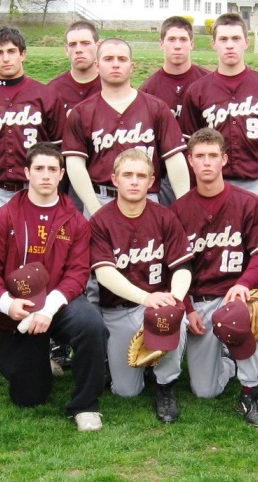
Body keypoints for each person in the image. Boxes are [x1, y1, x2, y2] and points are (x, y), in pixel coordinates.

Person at [0, 142, 109, 432]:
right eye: (39, 169)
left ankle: (85, 405)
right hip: (17, 311)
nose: (46, 175)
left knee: (92, 325)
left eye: (52, 169)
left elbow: (77, 273)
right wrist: (9, 304)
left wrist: (48, 309)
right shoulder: (3, 217)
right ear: (27, 173)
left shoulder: (75, 221)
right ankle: (38, 362)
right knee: (29, 396)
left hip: (60, 304)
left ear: (62, 174)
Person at [170, 128, 258, 428]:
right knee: (205, 391)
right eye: (200, 156)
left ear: (224, 160)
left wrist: (244, 285)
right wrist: (188, 310)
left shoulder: (247, 202)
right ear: (190, 161)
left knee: (242, 316)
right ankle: (228, 361)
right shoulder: (178, 210)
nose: (206, 163)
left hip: (233, 296)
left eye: (213, 156)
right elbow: (175, 269)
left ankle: (250, 392)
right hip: (200, 299)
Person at [90, 149, 193, 423]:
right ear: (114, 179)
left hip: (157, 306)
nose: (134, 181)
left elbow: (182, 267)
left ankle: (165, 385)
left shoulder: (165, 216)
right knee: (126, 392)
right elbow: (104, 274)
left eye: (141, 176)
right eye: (127, 175)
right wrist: (146, 298)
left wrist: (175, 298)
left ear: (151, 181)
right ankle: (134, 368)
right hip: (118, 310)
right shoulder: (100, 221)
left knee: (174, 317)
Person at [63, 38, 189, 217]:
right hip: (100, 199)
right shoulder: (82, 112)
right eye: (108, 59)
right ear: (97, 66)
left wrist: (184, 204)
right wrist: (94, 208)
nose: (115, 64)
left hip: (147, 199)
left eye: (122, 59)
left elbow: (175, 159)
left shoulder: (156, 108)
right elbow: (75, 164)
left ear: (131, 66)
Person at [0, 26, 66, 237]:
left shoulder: (46, 96)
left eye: (11, 51)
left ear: (23, 54)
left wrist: (60, 198)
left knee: (37, 256)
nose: (6, 58)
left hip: (36, 188)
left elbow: (61, 154)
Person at [179, 13, 258, 208]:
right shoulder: (197, 91)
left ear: (246, 42)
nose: (230, 45)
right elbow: (189, 147)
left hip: (255, 183)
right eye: (223, 39)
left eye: (236, 39)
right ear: (213, 43)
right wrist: (193, 189)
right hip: (211, 185)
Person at [139, 15, 211, 205]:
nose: (177, 46)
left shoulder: (209, 82)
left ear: (192, 44)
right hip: (164, 178)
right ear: (161, 43)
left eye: (183, 40)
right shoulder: (147, 90)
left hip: (204, 171)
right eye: (171, 40)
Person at [48, 20, 102, 114]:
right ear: (66, 50)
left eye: (85, 43)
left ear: (98, 46)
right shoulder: (52, 91)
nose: (78, 50)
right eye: (72, 44)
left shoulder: (114, 88)